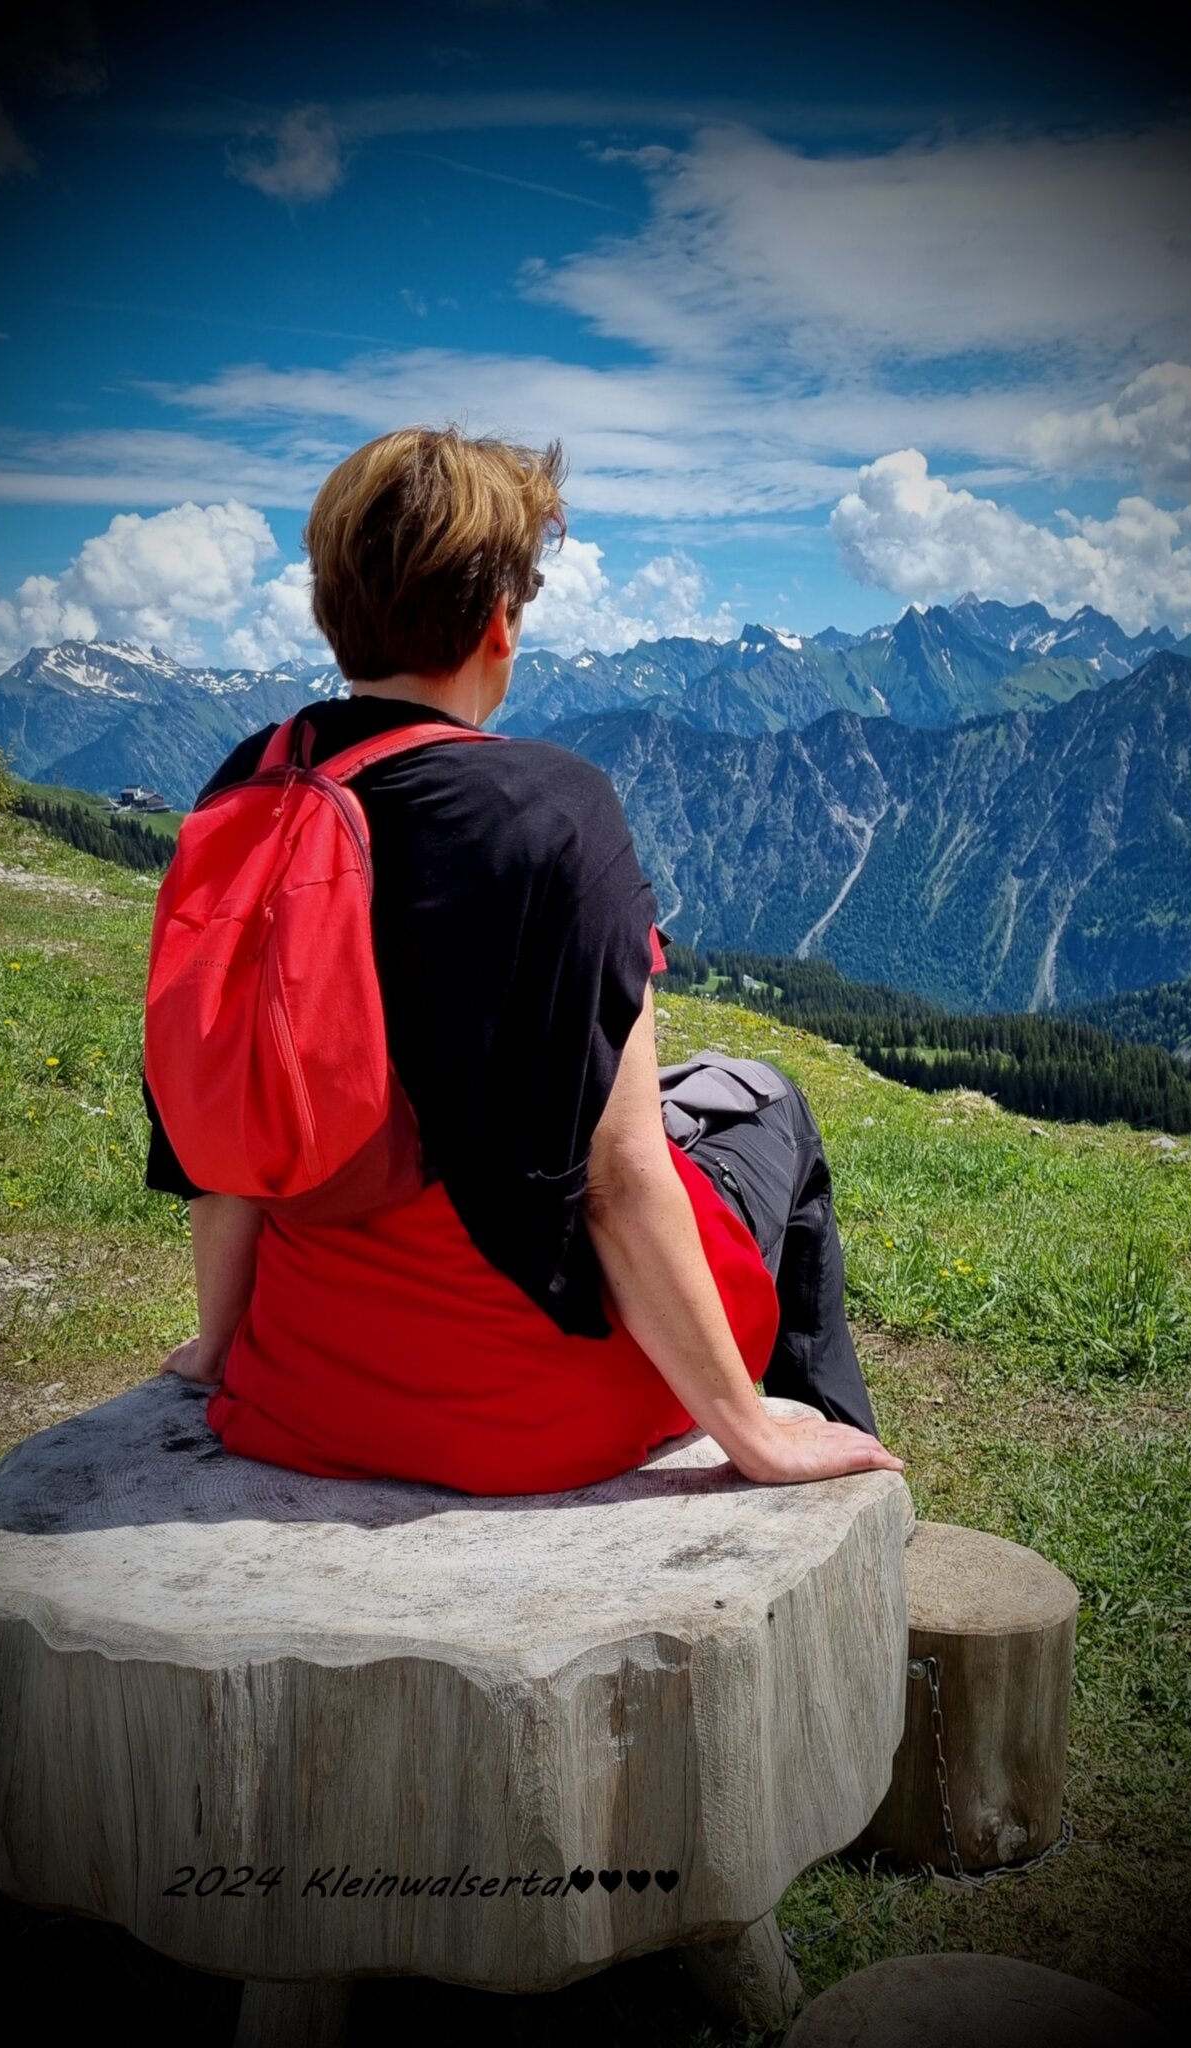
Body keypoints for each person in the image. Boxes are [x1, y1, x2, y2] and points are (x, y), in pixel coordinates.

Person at [144, 426, 902, 1496]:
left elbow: (227, 1123)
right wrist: (752, 1435)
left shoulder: (252, 787)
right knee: (765, 1103)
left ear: (330, 611)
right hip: (535, 1403)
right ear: (500, 622)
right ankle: (806, 1432)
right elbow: (621, 1178)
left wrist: (222, 1346)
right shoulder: (555, 809)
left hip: (308, 1384)